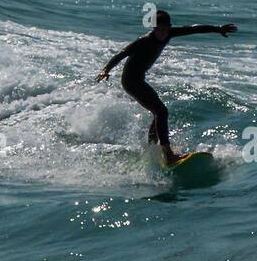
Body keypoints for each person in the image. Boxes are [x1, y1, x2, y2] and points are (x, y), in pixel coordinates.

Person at [96, 10, 237, 164]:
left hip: (139, 80)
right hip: (130, 81)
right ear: (153, 28)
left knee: (159, 112)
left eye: (165, 30)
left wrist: (218, 29)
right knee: (161, 111)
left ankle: (152, 148)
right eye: (159, 30)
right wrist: (106, 70)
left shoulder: (169, 33)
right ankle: (168, 154)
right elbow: (121, 55)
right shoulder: (143, 41)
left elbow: (194, 28)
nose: (162, 33)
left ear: (169, 27)